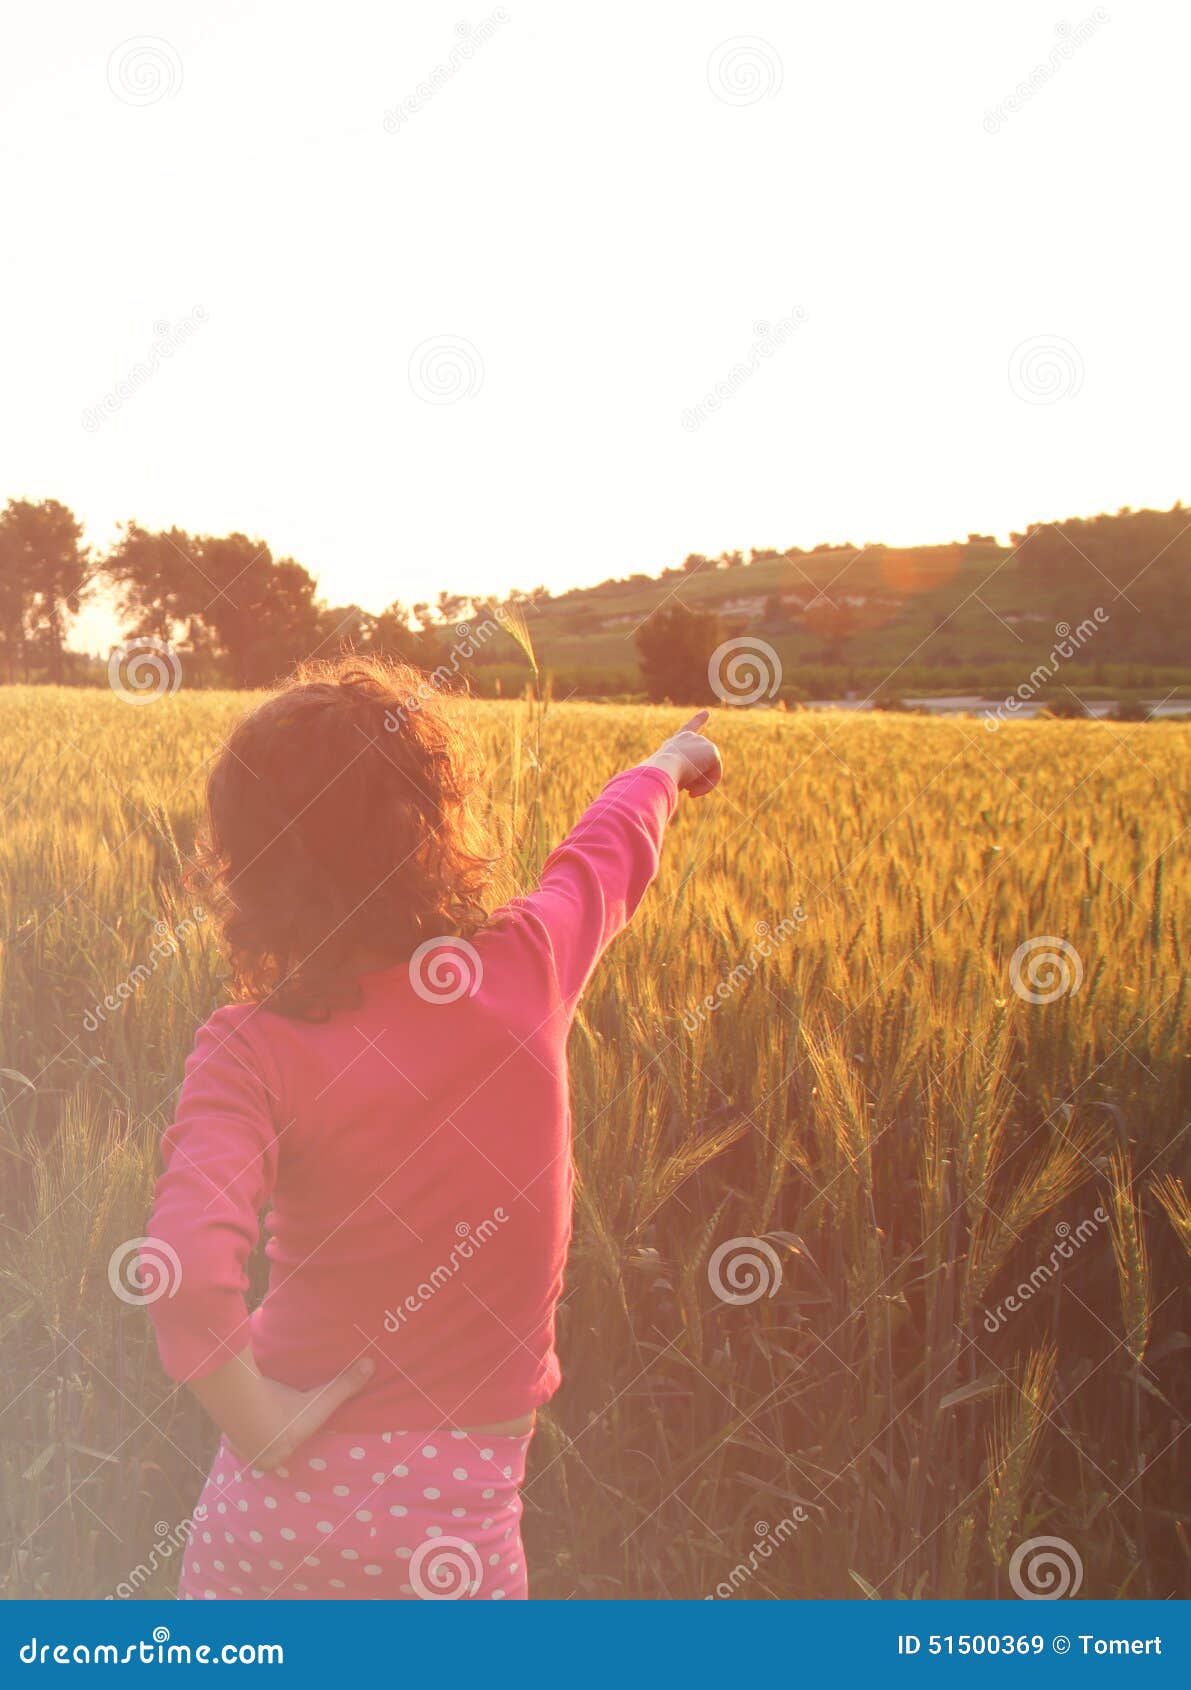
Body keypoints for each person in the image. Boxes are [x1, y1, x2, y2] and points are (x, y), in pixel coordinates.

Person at [143, 657, 723, 1600]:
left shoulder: (248, 1046)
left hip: (266, 1518)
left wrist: (257, 1425)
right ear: (433, 827)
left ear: (247, 862)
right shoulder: (527, 965)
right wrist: (662, 765)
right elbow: (600, 858)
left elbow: (180, 1270)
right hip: (452, 1533)